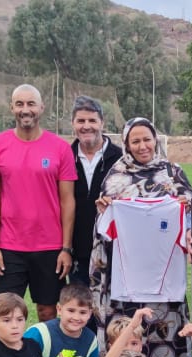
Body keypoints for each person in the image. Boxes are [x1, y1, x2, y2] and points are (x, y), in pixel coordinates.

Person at [93, 117, 192, 357]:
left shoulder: (173, 173)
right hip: (127, 276)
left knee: (164, 334)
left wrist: (187, 208)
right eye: (135, 141)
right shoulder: (116, 176)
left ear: (156, 140)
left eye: (147, 139)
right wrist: (105, 209)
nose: (142, 146)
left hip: (164, 276)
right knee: (128, 334)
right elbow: (104, 231)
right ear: (126, 144)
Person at [0, 84, 78, 323]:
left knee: (48, 312)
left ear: (41, 108)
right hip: (10, 247)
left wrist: (66, 249)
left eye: (31, 104)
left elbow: (68, 201)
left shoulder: (61, 148)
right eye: (20, 104)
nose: (26, 109)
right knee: (7, 313)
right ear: (12, 108)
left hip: (50, 247)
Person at [69, 95, 122, 287]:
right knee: (81, 311)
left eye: (92, 120)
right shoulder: (65, 157)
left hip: (114, 251)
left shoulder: (122, 159)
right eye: (81, 121)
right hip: (77, 251)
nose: (86, 126)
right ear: (72, 123)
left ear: (102, 123)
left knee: (112, 312)